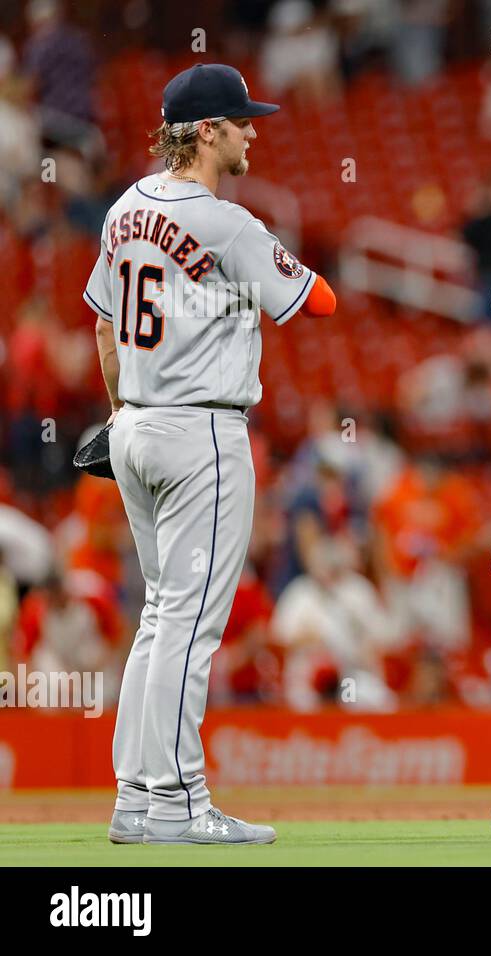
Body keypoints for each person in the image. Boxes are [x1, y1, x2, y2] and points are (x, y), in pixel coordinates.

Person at [84, 63, 337, 846]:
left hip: (135, 428)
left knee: (160, 619)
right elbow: (318, 300)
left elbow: (101, 325)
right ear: (206, 132)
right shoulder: (226, 221)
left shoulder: (123, 208)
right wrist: (238, 284)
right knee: (189, 626)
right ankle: (181, 801)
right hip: (203, 433)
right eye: (241, 121)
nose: (253, 131)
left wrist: (124, 412)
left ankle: (134, 796)